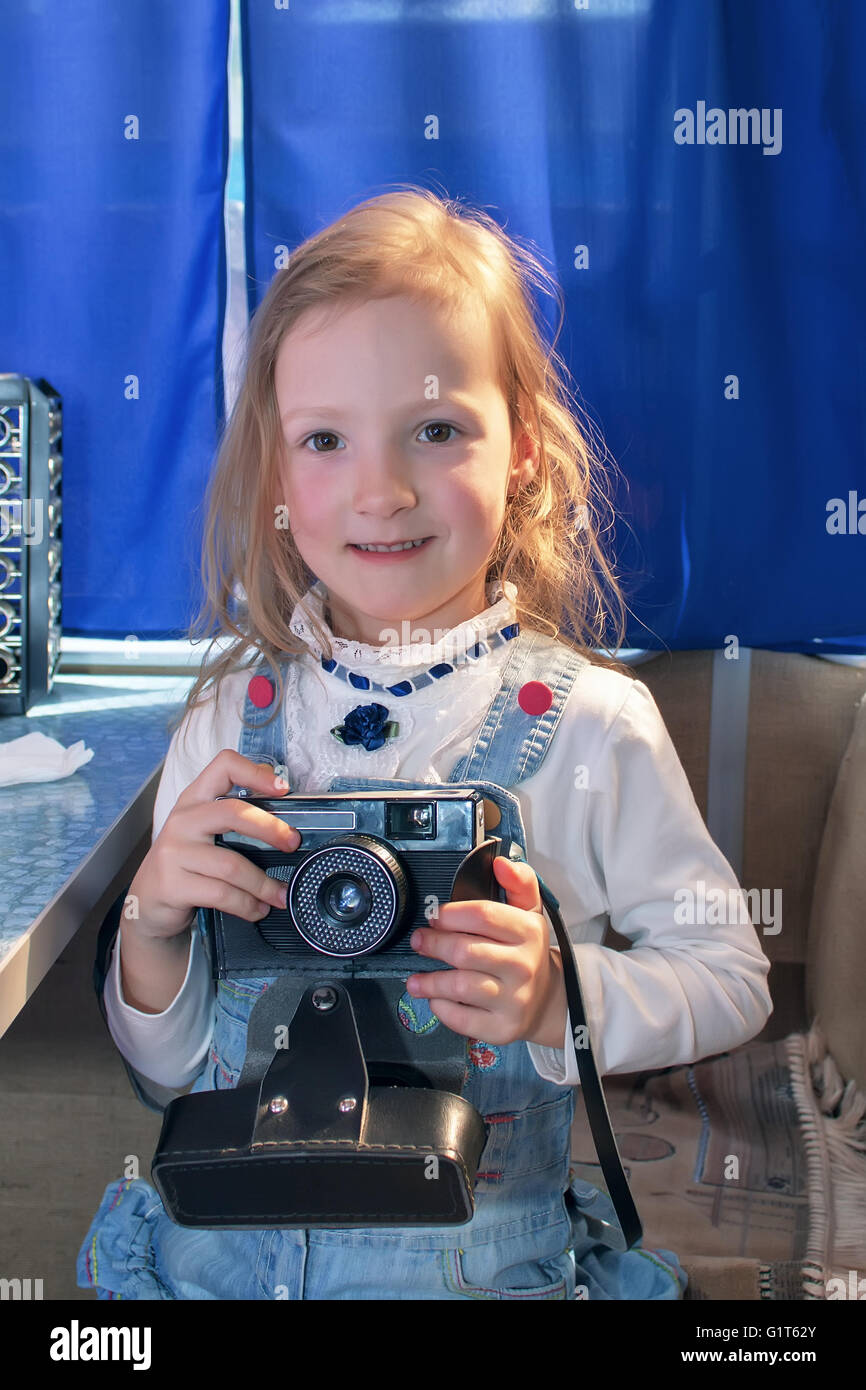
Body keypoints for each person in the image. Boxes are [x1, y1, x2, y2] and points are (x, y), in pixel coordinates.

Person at [77, 186, 772, 1300]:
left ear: (525, 453)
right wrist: (155, 932)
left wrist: (558, 998)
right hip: (212, 1267)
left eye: (436, 429)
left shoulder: (588, 727)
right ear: (275, 482)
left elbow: (730, 978)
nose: (381, 488)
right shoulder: (229, 718)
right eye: (324, 439)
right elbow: (169, 1070)